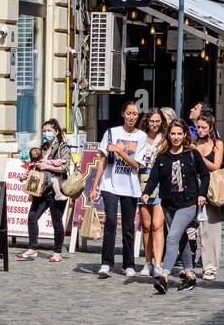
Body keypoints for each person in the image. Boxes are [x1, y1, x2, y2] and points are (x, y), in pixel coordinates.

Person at [142, 120, 209, 294]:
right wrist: (147, 192)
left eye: (180, 133)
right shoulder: (163, 155)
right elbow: (154, 177)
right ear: (168, 135)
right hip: (169, 203)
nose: (176, 137)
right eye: (173, 134)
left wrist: (202, 194)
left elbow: (205, 174)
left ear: (185, 134)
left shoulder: (192, 154)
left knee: (172, 237)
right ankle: (190, 274)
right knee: (181, 239)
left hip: (189, 203)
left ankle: (164, 276)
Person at [89, 102, 149, 278]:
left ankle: (129, 264)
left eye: (135, 114)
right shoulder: (111, 133)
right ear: (123, 114)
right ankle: (106, 262)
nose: (132, 117)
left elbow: (136, 165)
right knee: (111, 223)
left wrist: (119, 150)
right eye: (129, 113)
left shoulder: (141, 137)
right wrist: (94, 187)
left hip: (130, 186)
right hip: (110, 184)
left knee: (129, 227)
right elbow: (102, 161)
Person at [18, 118, 72, 261]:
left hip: (56, 189)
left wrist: (47, 166)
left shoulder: (63, 147)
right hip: (41, 189)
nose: (46, 133)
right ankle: (32, 248)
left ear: (57, 131)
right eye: (44, 131)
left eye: (49, 131)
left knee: (57, 222)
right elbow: (35, 163)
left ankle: (57, 253)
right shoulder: (42, 148)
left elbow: (64, 167)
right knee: (32, 217)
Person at [137, 108, 170, 278]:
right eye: (152, 121)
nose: (155, 124)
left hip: (160, 183)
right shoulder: (140, 137)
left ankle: (158, 263)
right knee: (147, 226)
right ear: (147, 122)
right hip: (141, 181)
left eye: (158, 121)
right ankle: (147, 262)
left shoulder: (164, 139)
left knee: (158, 225)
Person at [194, 113, 224, 281]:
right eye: (198, 127)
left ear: (211, 128)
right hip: (192, 188)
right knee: (191, 229)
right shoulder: (192, 143)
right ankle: (188, 263)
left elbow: (216, 166)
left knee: (210, 230)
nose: (200, 130)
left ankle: (210, 266)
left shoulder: (217, 143)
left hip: (211, 190)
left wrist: (198, 157)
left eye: (203, 127)